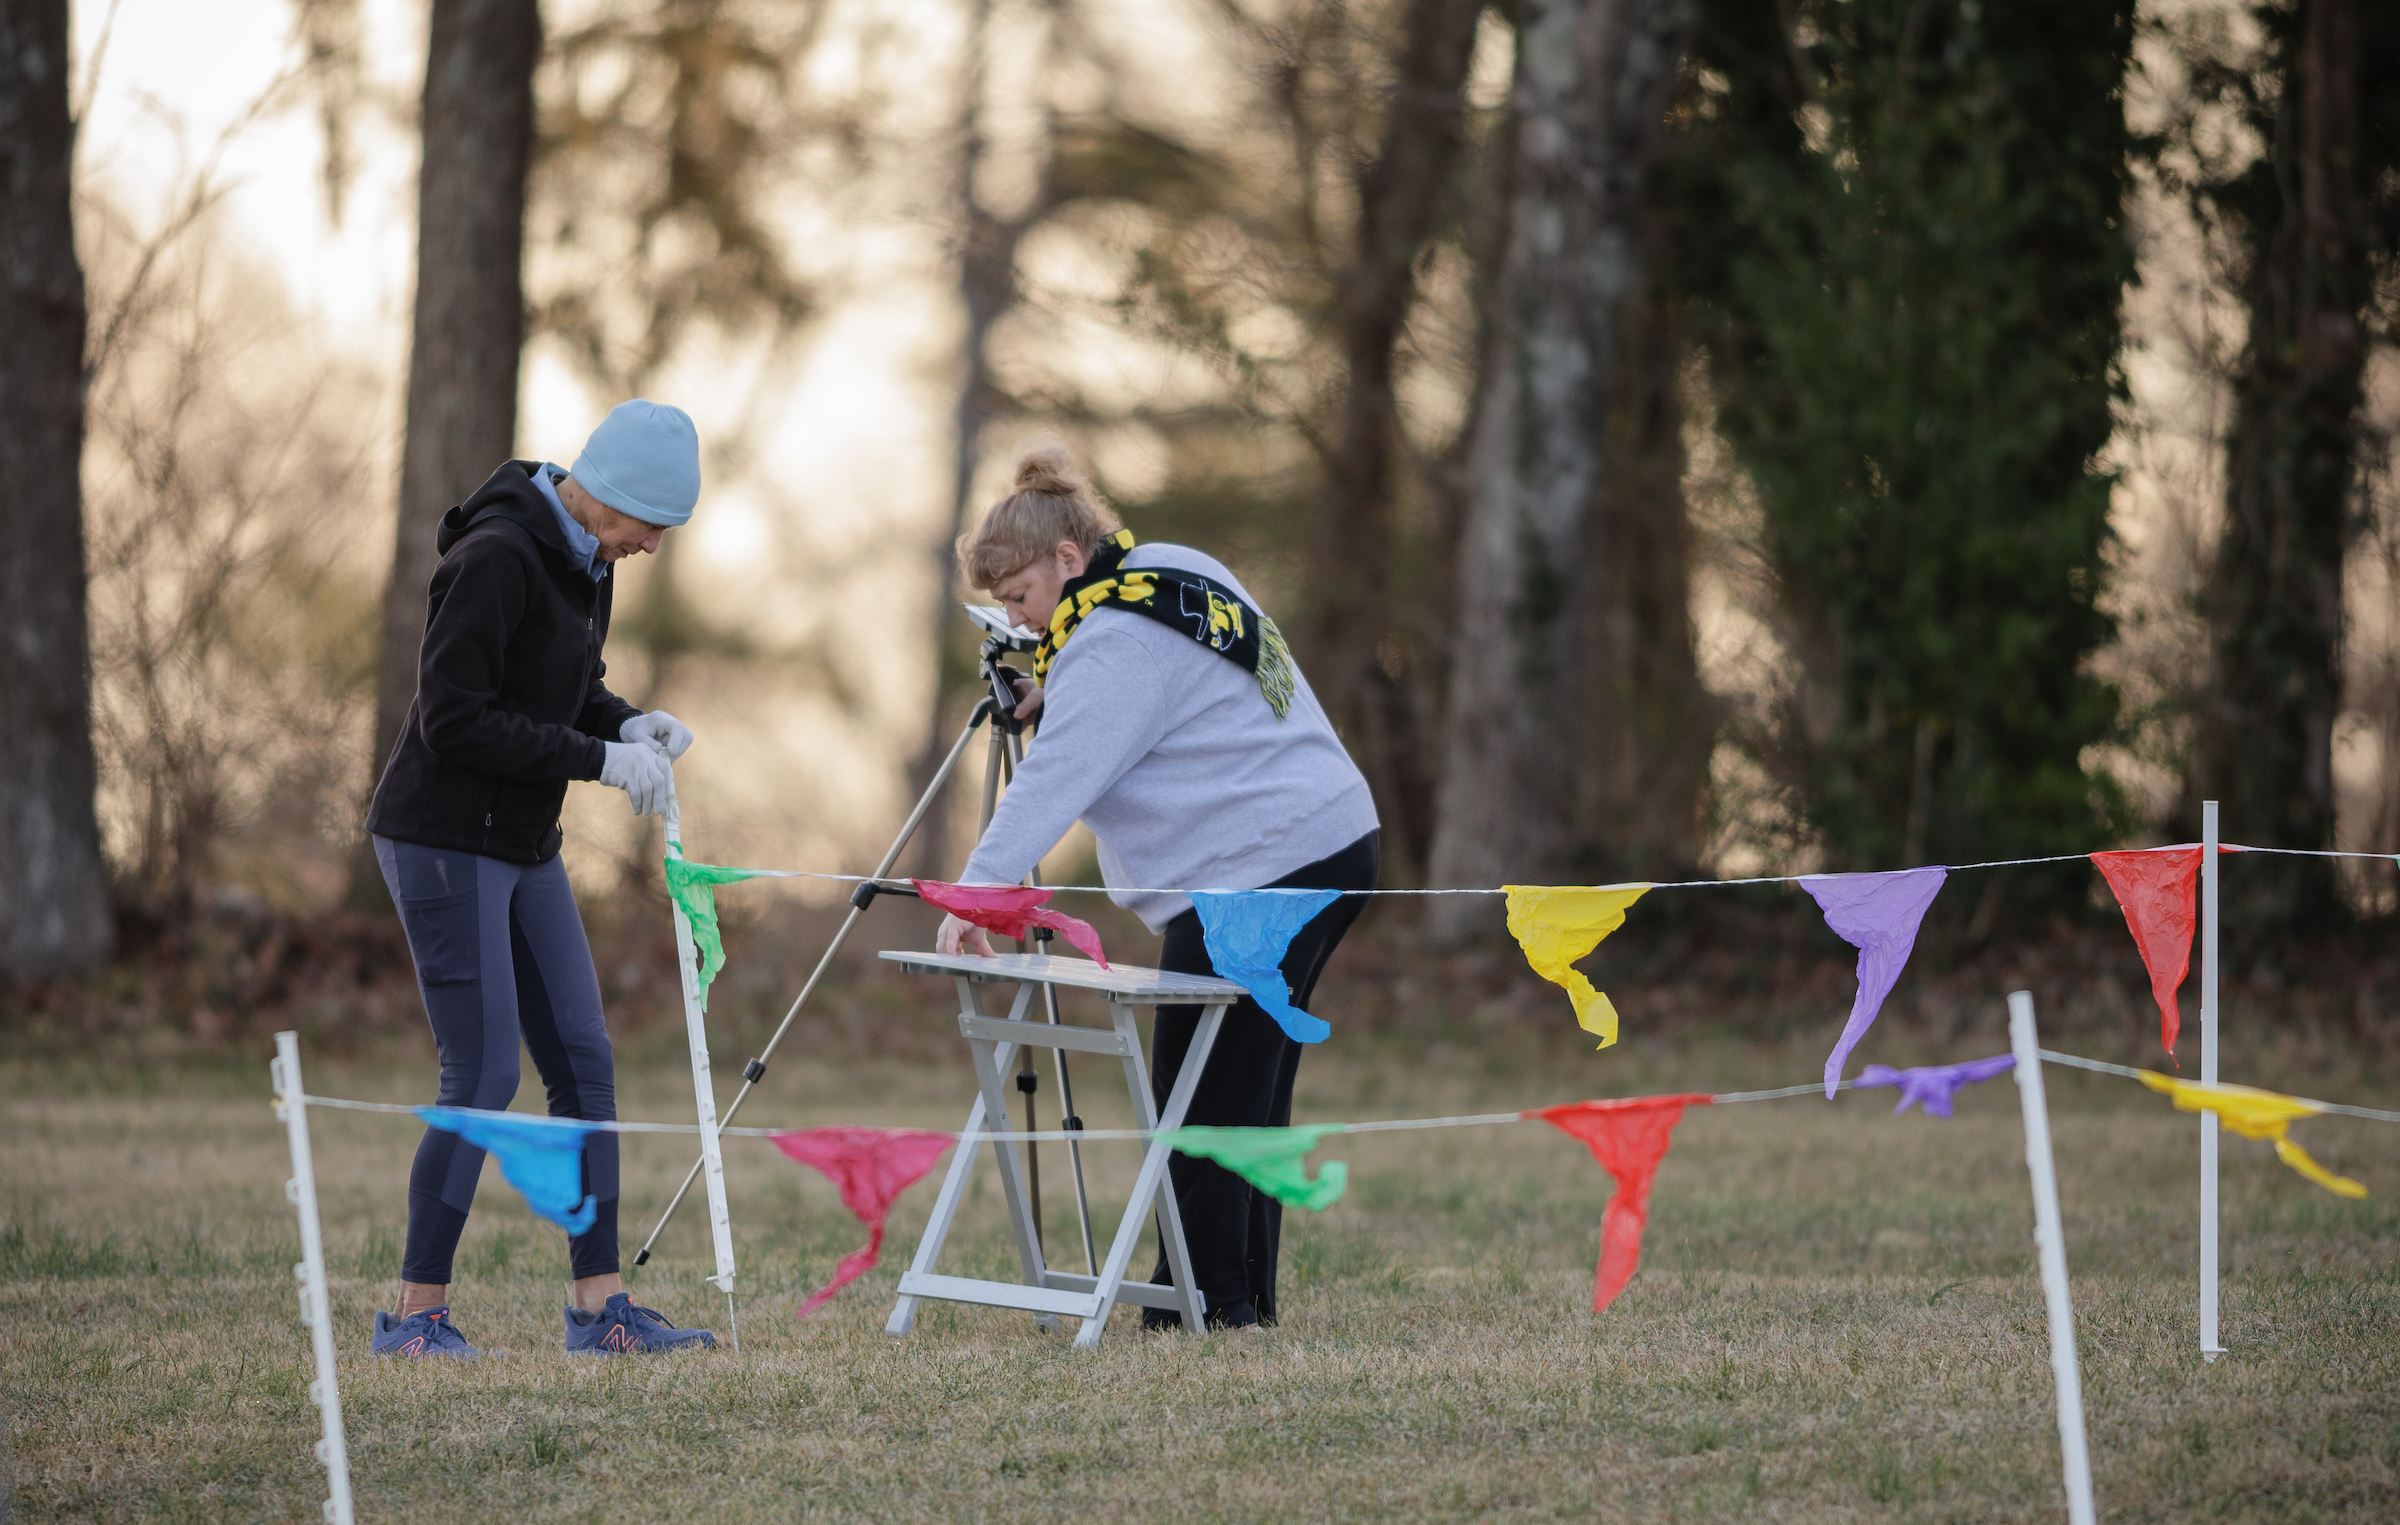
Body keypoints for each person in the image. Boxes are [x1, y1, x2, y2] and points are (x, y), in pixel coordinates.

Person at [936, 440, 1380, 1331]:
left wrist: (977, 892)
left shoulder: (1108, 645)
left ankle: (1205, 1305)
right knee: (1247, 1089)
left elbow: (1055, 779)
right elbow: (1178, 693)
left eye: (1020, 596)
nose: (1017, 620)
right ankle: (1232, 1297)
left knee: (1199, 1092)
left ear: (1068, 557)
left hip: (1257, 869)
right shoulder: (1168, 570)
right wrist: (1059, 686)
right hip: (1329, 837)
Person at [363, 400, 718, 1358]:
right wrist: (597, 760)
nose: (652, 545)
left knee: (583, 1060)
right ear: (609, 492)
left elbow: (565, 688)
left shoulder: (589, 559)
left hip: (521, 839)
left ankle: (602, 1311)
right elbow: (453, 718)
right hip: (441, 836)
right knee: (483, 1072)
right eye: (652, 523)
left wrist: (625, 722)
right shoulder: (496, 557)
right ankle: (414, 1317)